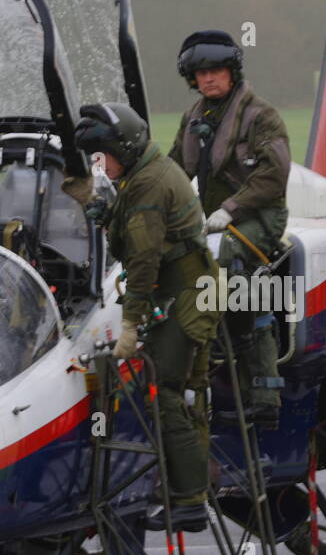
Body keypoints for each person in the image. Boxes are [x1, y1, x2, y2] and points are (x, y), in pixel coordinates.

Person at [68, 103, 220, 532]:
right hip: (189, 290)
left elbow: (143, 262)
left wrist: (130, 325)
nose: (100, 166)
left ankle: (189, 501)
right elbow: (132, 226)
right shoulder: (144, 171)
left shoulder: (148, 185)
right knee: (183, 393)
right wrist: (104, 211)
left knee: (166, 392)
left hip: (188, 295)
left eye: (103, 157)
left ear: (125, 148)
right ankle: (184, 491)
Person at [169, 30, 290, 429]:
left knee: (224, 269)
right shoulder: (192, 118)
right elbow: (172, 171)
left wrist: (230, 208)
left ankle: (256, 392)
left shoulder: (261, 115)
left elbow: (274, 176)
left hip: (260, 217)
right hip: (214, 220)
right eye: (201, 73)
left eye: (216, 71)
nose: (209, 79)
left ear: (232, 72)